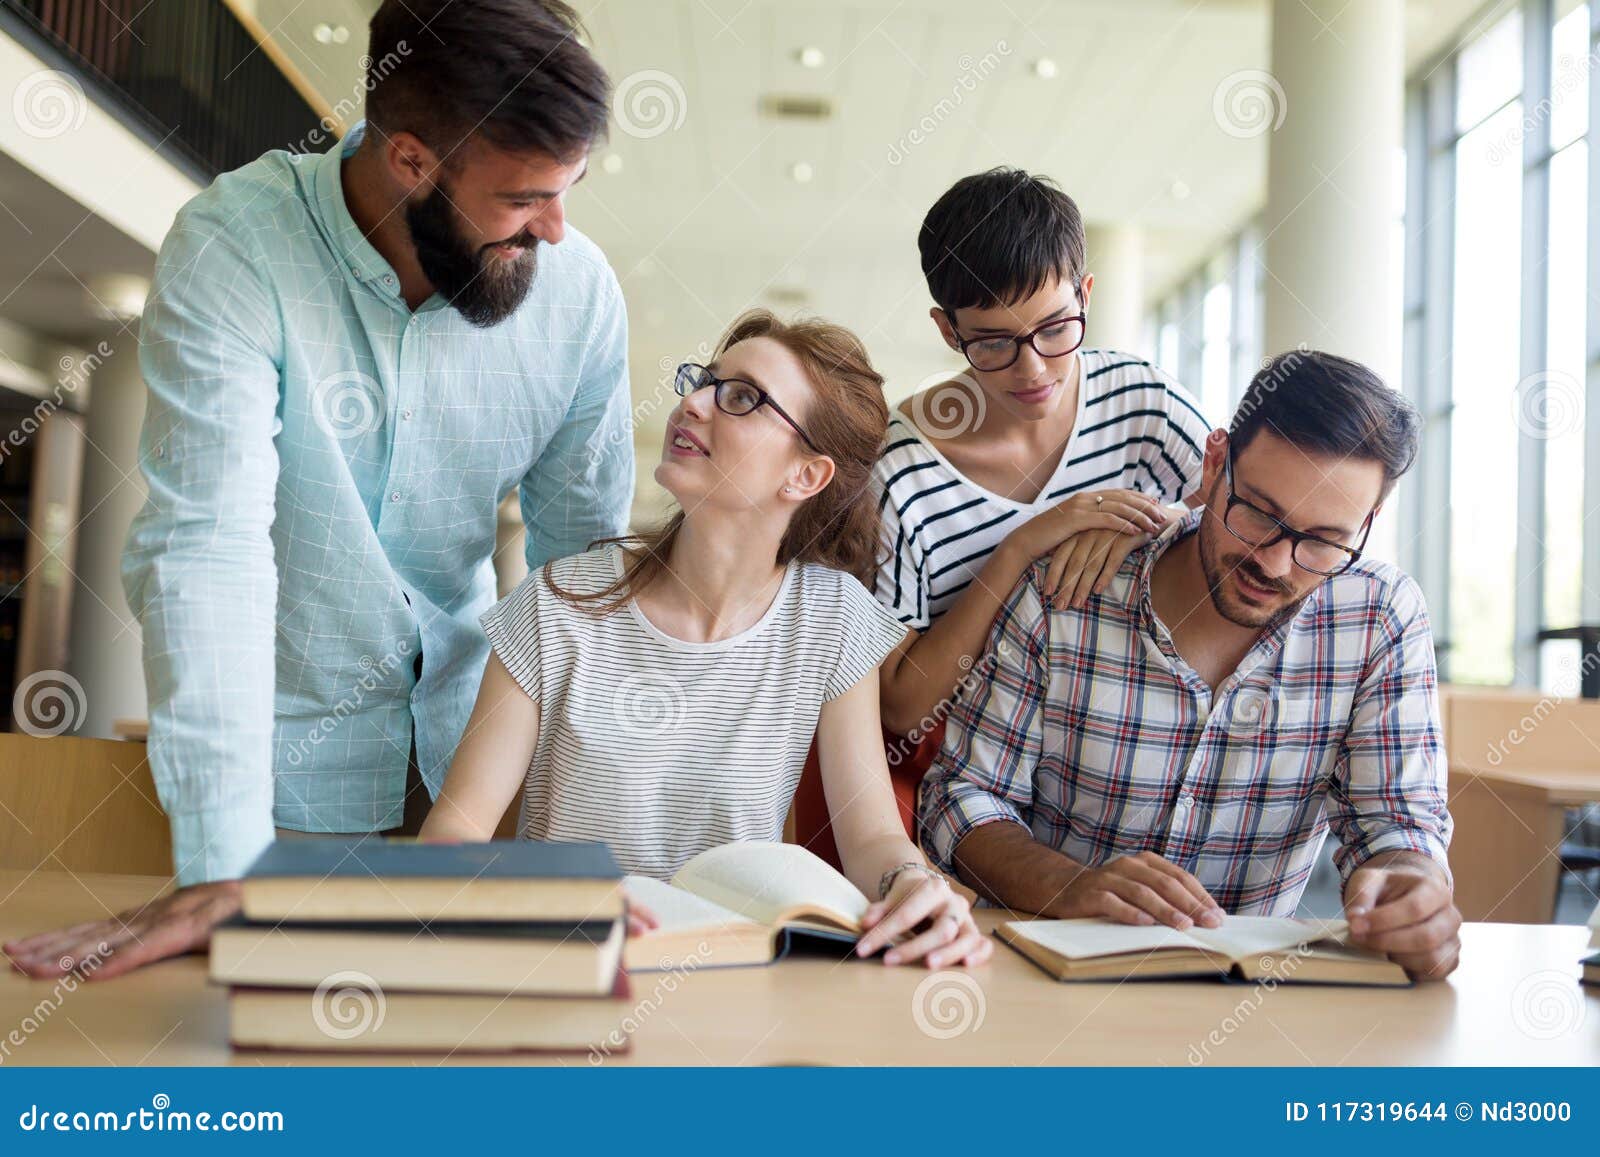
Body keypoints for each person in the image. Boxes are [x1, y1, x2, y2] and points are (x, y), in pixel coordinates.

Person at [5, 0, 633, 981]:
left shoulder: (580, 295)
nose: (557, 229)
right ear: (414, 161)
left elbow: (583, 573)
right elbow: (206, 550)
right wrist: (226, 865)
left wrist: (595, 833)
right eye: (523, 198)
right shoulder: (238, 246)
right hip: (280, 782)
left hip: (476, 780)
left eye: (571, 189)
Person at [420, 311, 992, 970]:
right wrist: (548, 901)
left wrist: (913, 885)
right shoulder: (556, 604)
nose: (691, 403)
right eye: (704, 381)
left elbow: (870, 840)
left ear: (805, 475)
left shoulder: (833, 619)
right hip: (566, 976)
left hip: (732, 983)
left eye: (742, 397)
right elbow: (450, 841)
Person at [921, 350, 1461, 981]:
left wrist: (1412, 893)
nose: (1277, 565)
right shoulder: (1067, 590)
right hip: (1046, 983)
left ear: (1365, 525)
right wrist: (1071, 887)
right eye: (1258, 513)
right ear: (1213, 464)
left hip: (1253, 1006)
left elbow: (1397, 823)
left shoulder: (1380, 617)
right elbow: (962, 797)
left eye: (1323, 540)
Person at [793, 168, 1210, 863]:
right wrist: (1024, 548)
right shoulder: (903, 473)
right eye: (993, 343)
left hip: (1114, 755)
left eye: (1056, 328)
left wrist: (1140, 524)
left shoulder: (1140, 402)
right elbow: (898, 705)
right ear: (947, 331)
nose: (1034, 369)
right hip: (962, 782)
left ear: (1086, 295)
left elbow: (1232, 512)